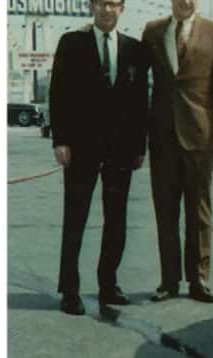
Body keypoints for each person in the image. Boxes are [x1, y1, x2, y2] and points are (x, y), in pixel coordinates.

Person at [48, 0, 150, 315]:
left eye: (114, 4)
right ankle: (69, 290)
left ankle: (108, 284)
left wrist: (138, 147)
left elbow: (139, 102)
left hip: (120, 151)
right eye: (102, 3)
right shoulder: (72, 43)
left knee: (116, 220)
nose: (107, 10)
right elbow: (58, 92)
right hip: (81, 149)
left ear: (122, 9)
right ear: (92, 7)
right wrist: (61, 140)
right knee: (75, 219)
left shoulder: (135, 49)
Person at [142, 0, 213, 303]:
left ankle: (199, 279)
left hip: (200, 137)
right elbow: (133, 81)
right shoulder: (152, 32)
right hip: (162, 137)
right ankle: (169, 281)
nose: (185, 1)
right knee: (165, 211)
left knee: (199, 211)